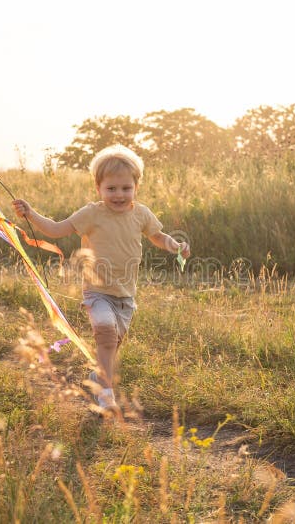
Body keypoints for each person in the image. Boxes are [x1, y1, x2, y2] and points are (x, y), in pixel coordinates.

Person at [12, 145, 191, 412]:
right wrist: (31, 214)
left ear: (135, 187)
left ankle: (98, 378)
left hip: (125, 297)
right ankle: (106, 397)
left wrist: (175, 245)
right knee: (106, 336)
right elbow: (56, 229)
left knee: (112, 345)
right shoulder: (91, 214)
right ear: (99, 188)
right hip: (97, 292)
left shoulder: (141, 213)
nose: (119, 195)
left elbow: (157, 236)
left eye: (125, 188)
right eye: (111, 189)